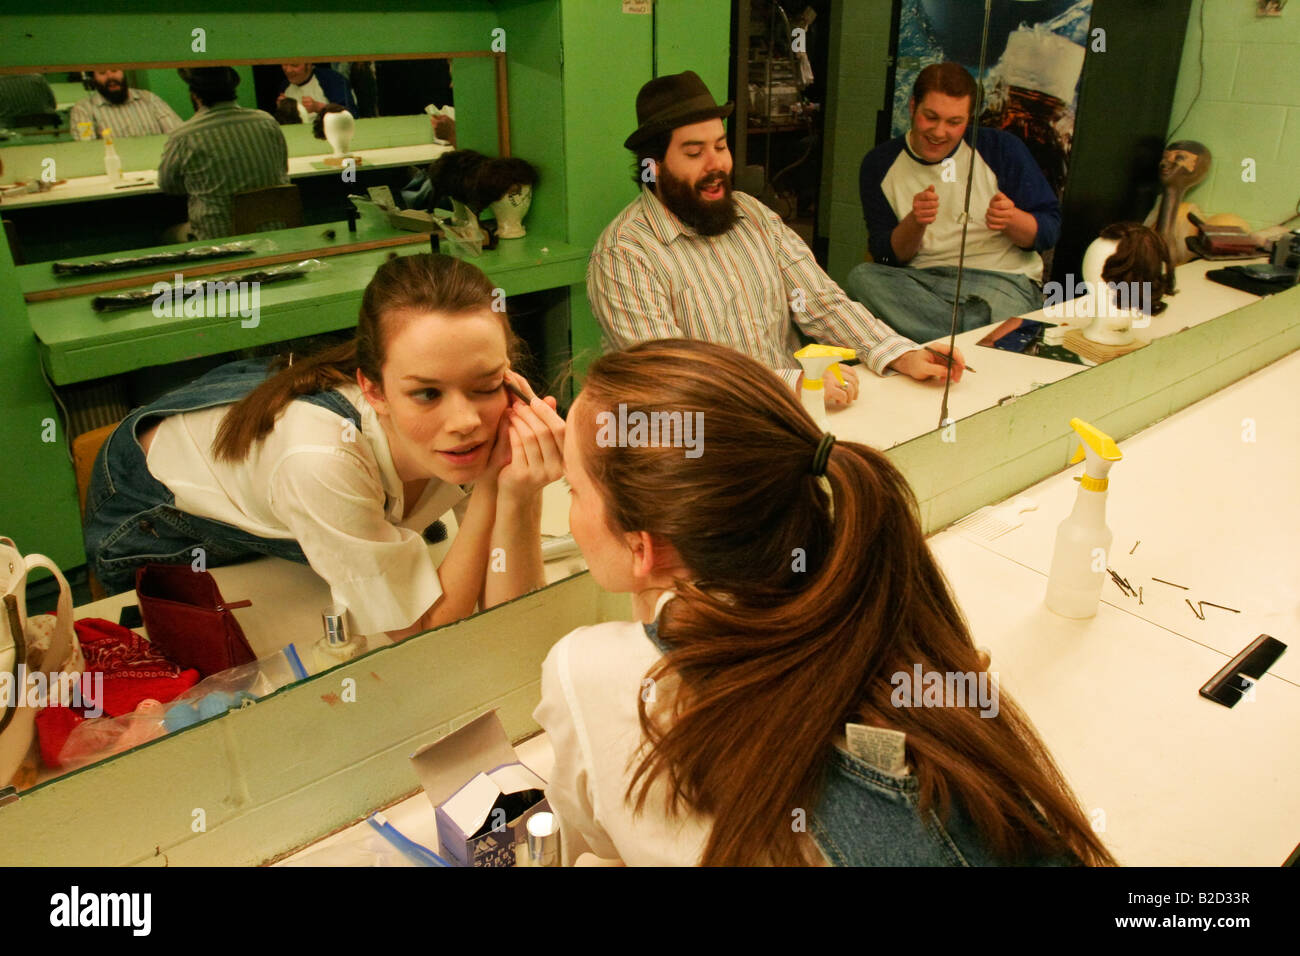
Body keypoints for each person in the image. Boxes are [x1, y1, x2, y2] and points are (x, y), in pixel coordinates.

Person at [535, 338, 1117, 866]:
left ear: (642, 547)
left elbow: (597, 840)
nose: (572, 510)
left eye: (574, 491)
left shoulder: (586, 672)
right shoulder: (866, 604)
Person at [84, 253, 566, 641]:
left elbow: (510, 621)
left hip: (286, 478)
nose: (465, 422)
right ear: (374, 389)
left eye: (484, 385)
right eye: (427, 393)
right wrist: (489, 488)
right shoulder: (319, 461)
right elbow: (422, 633)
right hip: (156, 517)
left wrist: (520, 491)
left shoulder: (484, 414)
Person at [588, 71, 964, 413]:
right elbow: (671, 375)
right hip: (699, 442)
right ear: (652, 167)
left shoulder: (753, 217)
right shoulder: (624, 255)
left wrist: (901, 353)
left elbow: (822, 303)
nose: (715, 164)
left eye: (720, 146)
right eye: (694, 152)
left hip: (785, 418)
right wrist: (794, 384)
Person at [844, 63, 1061, 343]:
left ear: (968, 119)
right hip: (924, 284)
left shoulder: (1002, 149)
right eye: (930, 117)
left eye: (954, 122)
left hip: (1001, 281)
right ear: (912, 107)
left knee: (1000, 307)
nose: (939, 132)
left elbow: (1049, 230)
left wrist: (1013, 220)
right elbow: (886, 257)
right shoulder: (879, 164)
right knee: (861, 279)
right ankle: (981, 339)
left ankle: (937, 340)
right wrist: (915, 222)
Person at [157, 67, 289, 240]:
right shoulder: (267, 121)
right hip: (274, 229)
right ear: (233, 90)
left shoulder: (184, 136)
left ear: (195, 95)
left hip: (218, 236)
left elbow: (168, 185)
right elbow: (282, 168)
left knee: (168, 235)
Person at [69, 68, 182, 140]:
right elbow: (87, 148)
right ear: (93, 79)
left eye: (115, 71)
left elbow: (177, 134)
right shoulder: (83, 109)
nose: (110, 77)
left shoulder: (148, 99)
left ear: (123, 73)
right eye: (102, 73)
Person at [277, 62, 357, 125]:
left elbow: (350, 114)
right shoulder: (286, 85)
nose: (288, 70)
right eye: (285, 64)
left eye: (294, 65)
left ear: (308, 65)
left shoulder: (331, 80)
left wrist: (318, 107)